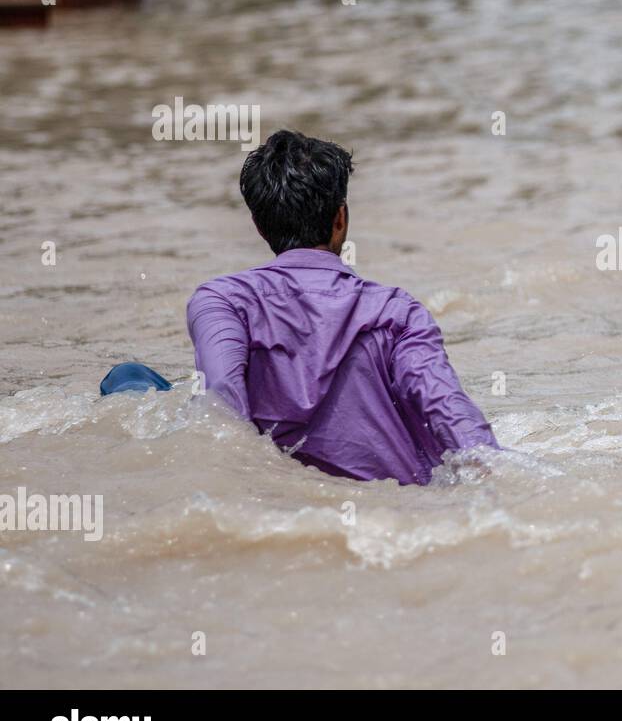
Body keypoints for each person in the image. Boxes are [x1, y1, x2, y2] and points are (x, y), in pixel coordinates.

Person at [103, 130, 498, 485]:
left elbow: (222, 404)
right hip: (397, 492)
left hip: (276, 492)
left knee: (128, 378)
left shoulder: (222, 301)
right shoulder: (397, 310)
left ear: (259, 226)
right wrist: (493, 469)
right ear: (340, 218)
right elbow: (446, 406)